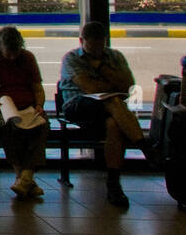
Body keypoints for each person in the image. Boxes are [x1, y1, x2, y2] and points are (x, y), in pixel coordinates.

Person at [59, 21, 157, 207]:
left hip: (109, 108)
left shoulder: (114, 56)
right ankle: (145, 146)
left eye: (100, 44)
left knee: (113, 124)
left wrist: (101, 67)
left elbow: (128, 86)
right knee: (113, 100)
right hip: (78, 105)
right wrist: (112, 80)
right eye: (92, 44)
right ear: (82, 41)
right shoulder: (72, 58)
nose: (97, 48)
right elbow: (89, 88)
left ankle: (114, 184)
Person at [0, 26, 47, 199]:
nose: (13, 57)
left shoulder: (28, 58)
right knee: (10, 126)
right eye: (9, 53)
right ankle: (23, 177)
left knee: (42, 125)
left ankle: (25, 178)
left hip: (27, 105)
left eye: (15, 53)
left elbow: (37, 88)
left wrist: (39, 105)